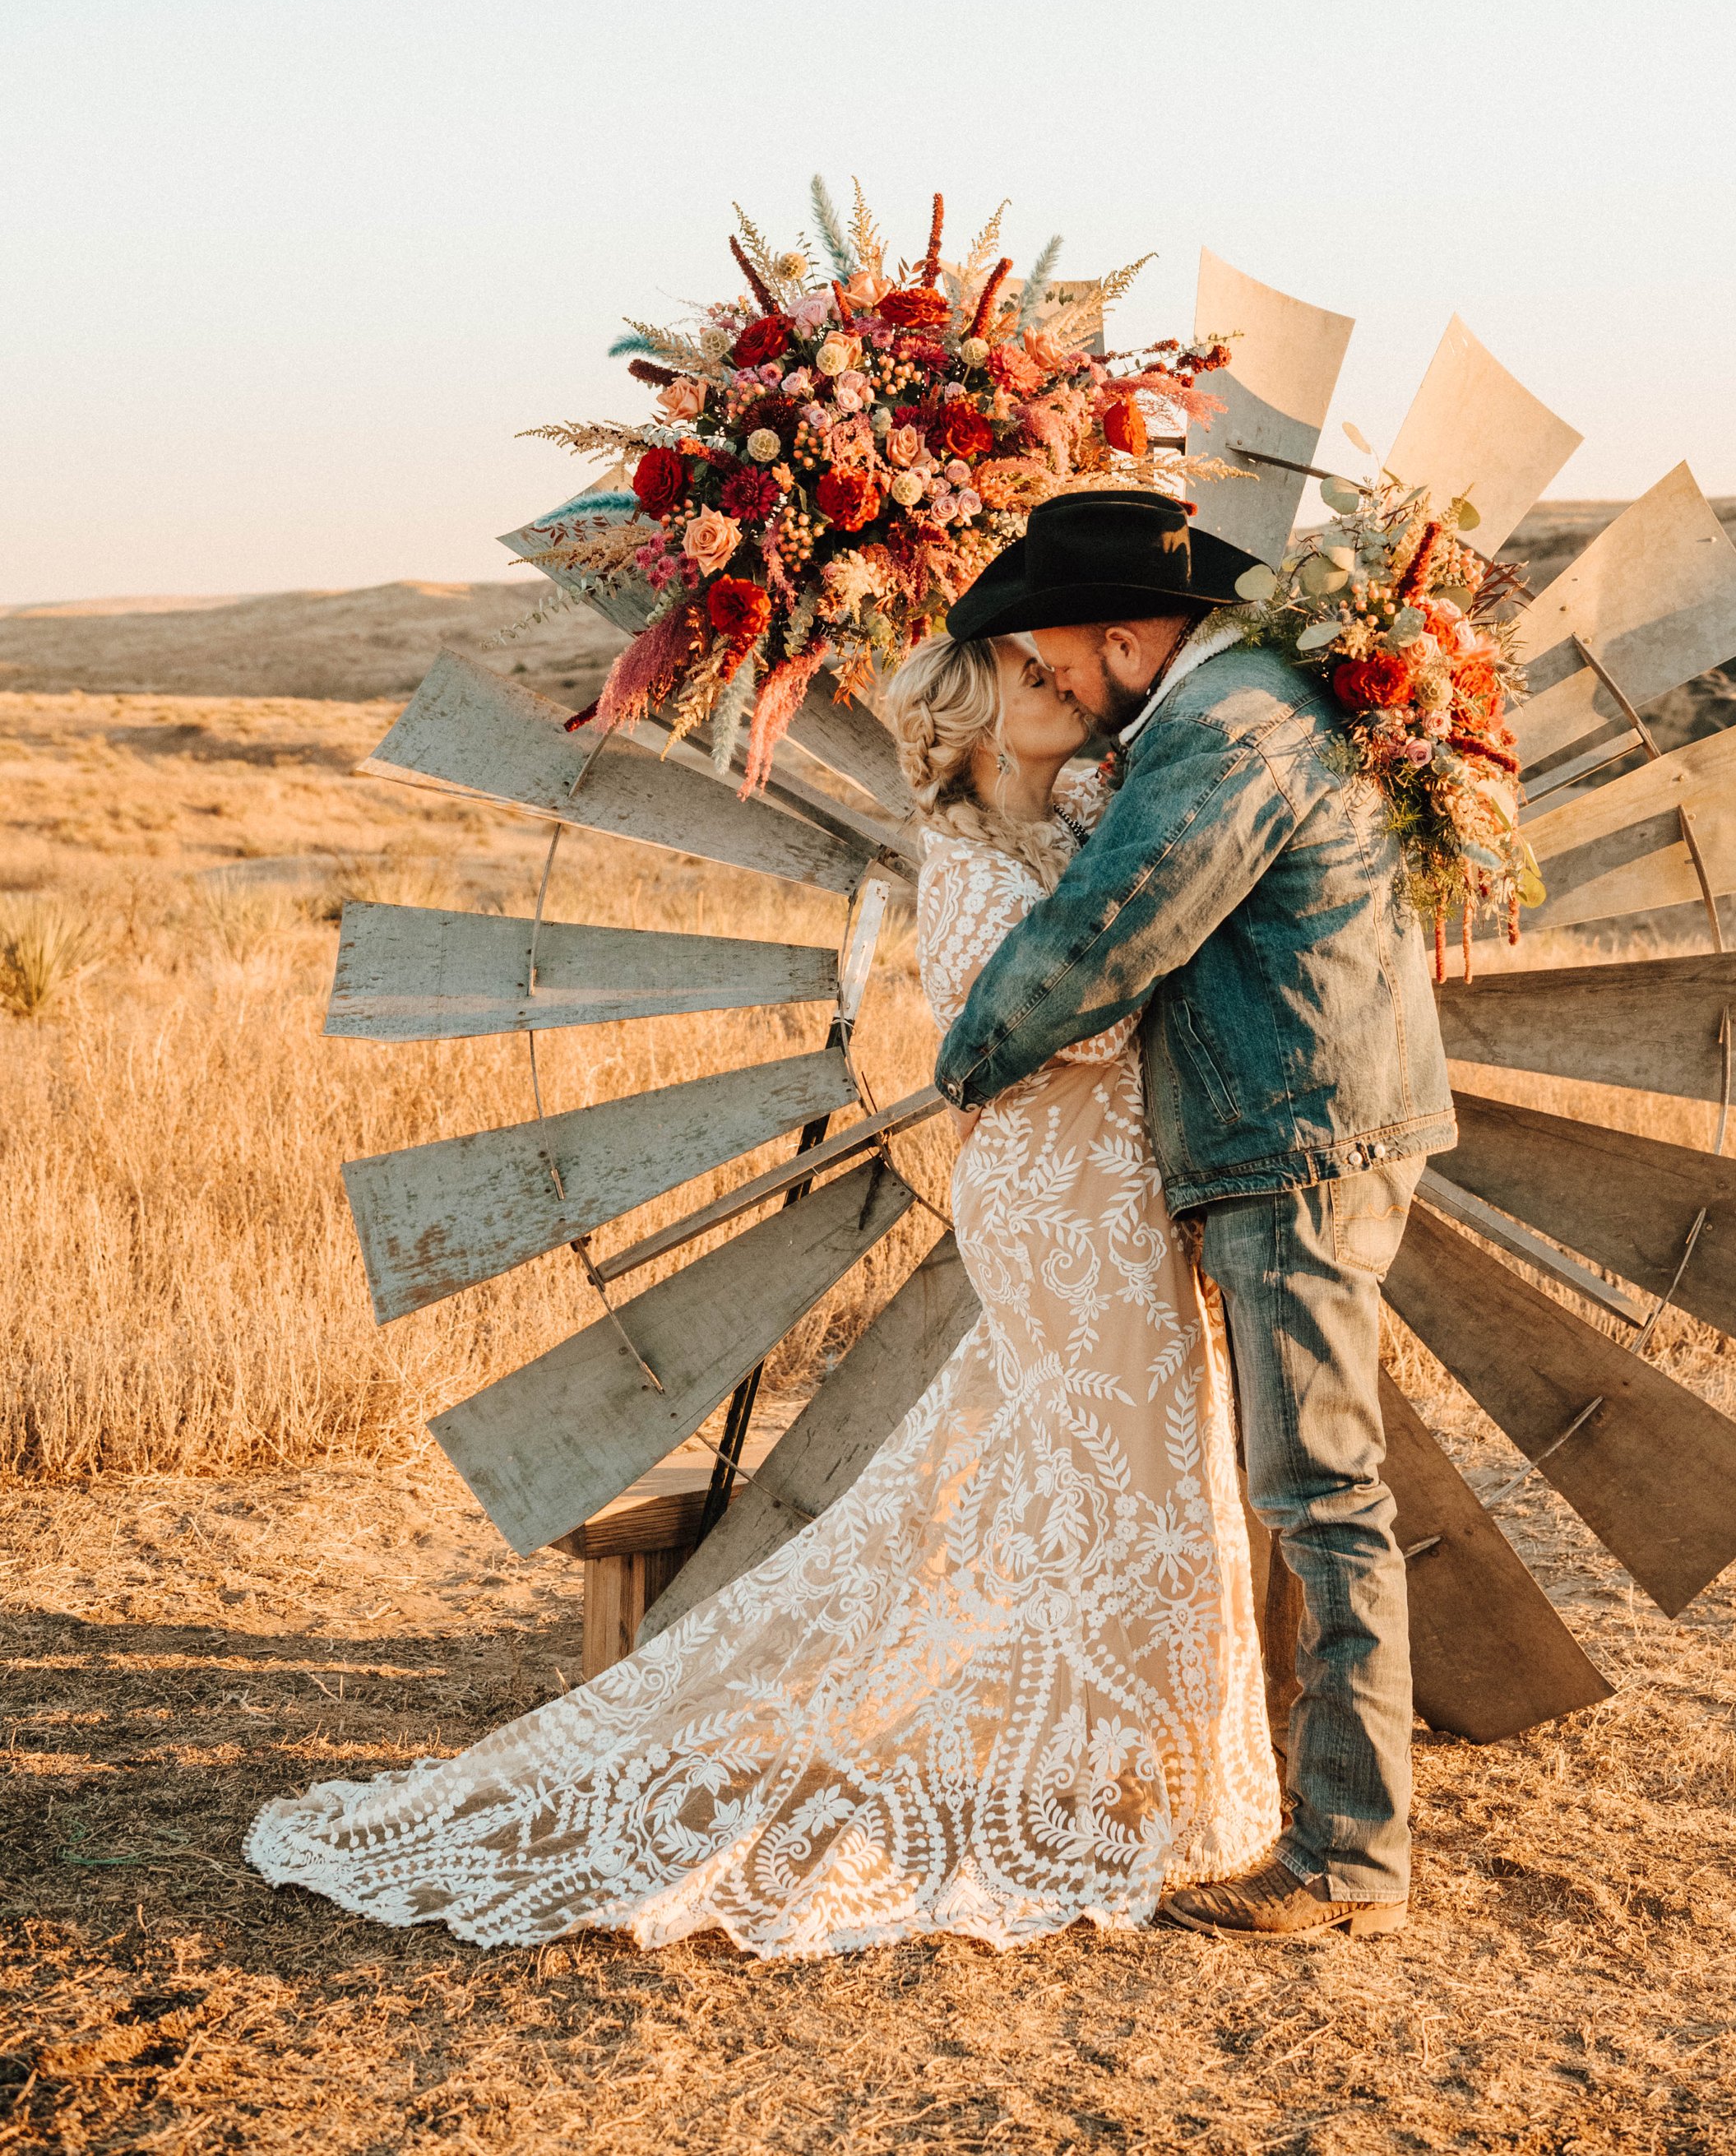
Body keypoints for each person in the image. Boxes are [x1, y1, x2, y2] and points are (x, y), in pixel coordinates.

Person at [244, 629, 1278, 1959]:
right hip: (1053, 1202)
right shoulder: (961, 869)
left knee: (1147, 1469)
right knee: (1119, 1466)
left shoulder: (1080, 806)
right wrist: (1150, 962)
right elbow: (1054, 1025)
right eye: (1032, 680)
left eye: (1061, 674)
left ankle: (1144, 1763)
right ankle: (1140, 1784)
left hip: (1122, 1190)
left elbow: (1159, 855)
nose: (1067, 686)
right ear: (969, 726)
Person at [933, 487, 1456, 1944]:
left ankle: (1348, 1857)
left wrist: (971, 1054)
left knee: (1318, 1487)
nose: (1054, 688)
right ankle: (1330, 1815)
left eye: (1055, 660)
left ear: (1119, 636)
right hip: (1314, 1123)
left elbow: (1118, 919)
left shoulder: (1223, 729)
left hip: (1296, 1140)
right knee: (1314, 1476)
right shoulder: (1246, 701)